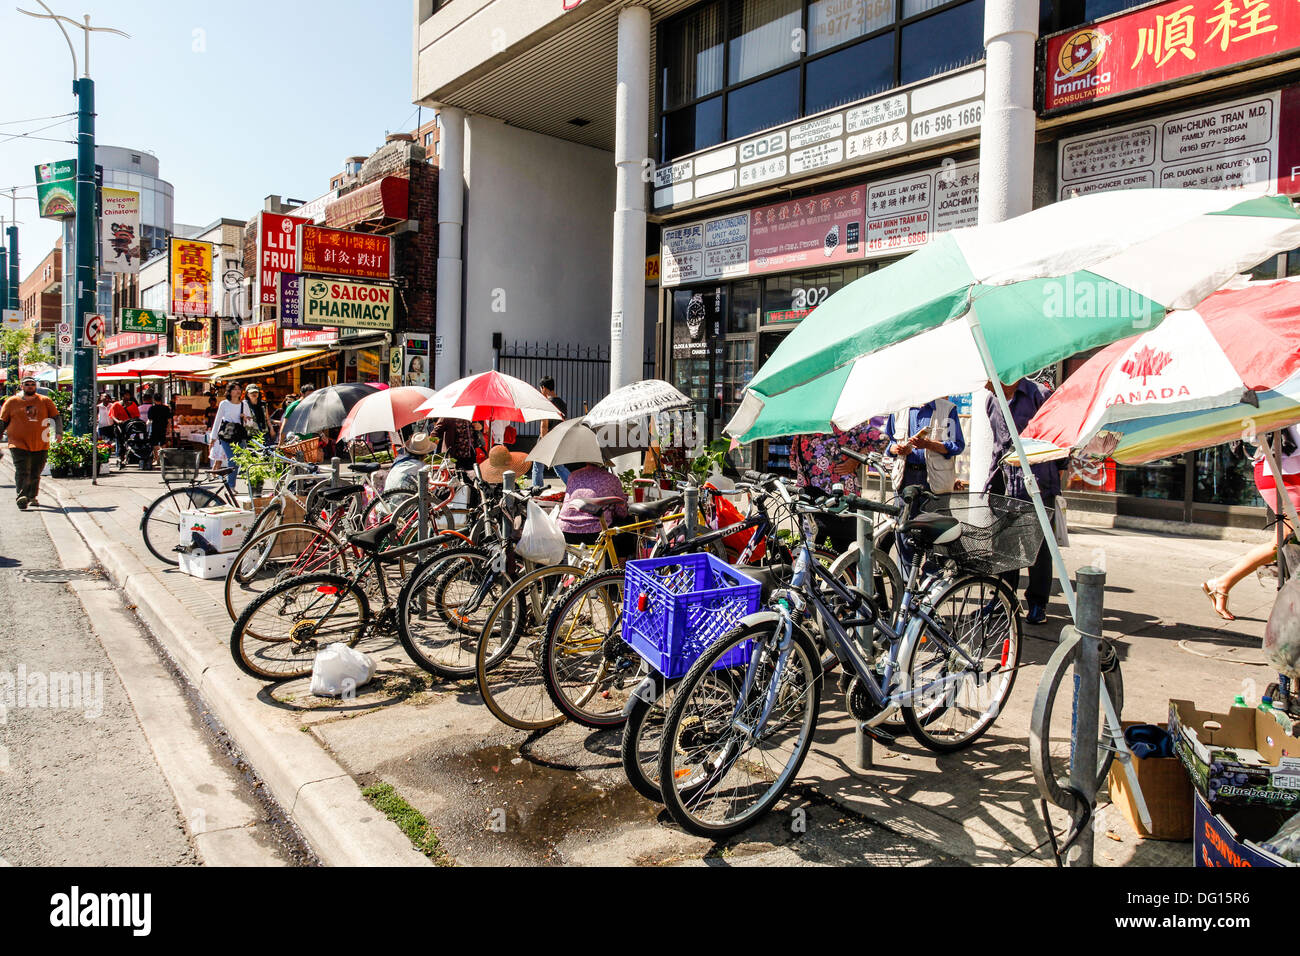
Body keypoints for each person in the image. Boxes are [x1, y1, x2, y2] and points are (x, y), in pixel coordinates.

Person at [984, 378, 1066, 625]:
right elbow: (998, 444)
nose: (984, 383)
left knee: (1038, 548)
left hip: (1037, 482)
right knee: (1003, 547)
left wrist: (1056, 474)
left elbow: (1059, 437)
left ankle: (1038, 603)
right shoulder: (992, 400)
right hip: (1004, 481)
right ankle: (1003, 599)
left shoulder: (1038, 394)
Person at [1203, 426, 1300, 621]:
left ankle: (1222, 584)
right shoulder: (1279, 399)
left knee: (1283, 541)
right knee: (1284, 539)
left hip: (1292, 471)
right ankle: (1222, 583)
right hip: (1278, 472)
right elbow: (1252, 434)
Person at [886, 398, 965, 575]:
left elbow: (957, 445)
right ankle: (905, 580)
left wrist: (929, 445)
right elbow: (889, 443)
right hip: (905, 477)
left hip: (935, 480)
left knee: (934, 530)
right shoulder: (900, 408)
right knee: (904, 528)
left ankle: (931, 578)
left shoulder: (947, 409)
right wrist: (897, 449)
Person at [788, 419, 890, 553]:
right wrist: (856, 459)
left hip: (816, 502)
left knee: (809, 556)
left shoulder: (804, 430)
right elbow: (882, 440)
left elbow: (793, 464)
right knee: (845, 557)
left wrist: (854, 460)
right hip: (839, 500)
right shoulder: (844, 425)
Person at [0, 376, 61, 510]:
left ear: (35, 386)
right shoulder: (11, 402)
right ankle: (21, 496)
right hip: (18, 443)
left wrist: (59, 433)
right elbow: (3, 421)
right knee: (23, 470)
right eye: (27, 384)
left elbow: (56, 417)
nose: (30, 386)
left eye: (32, 384)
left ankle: (32, 496)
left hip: (41, 442)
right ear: (22, 386)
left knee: (35, 472)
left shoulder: (45, 401)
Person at [557, 459, 631, 554]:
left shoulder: (573, 475)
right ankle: (620, 567)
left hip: (565, 529)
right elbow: (622, 512)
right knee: (626, 528)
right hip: (595, 532)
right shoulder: (611, 479)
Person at [208, 383, 253, 490]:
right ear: (229, 391)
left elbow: (251, 424)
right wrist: (213, 437)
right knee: (232, 459)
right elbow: (218, 420)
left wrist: (246, 418)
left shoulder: (244, 404)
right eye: (234, 389)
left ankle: (231, 484)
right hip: (226, 435)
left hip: (239, 435)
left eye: (239, 389)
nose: (237, 391)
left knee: (238, 461)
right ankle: (231, 486)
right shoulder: (224, 404)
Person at [530, 376, 572, 490]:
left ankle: (536, 489)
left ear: (543, 388)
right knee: (559, 467)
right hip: (558, 438)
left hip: (547, 438)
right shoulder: (562, 403)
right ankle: (573, 485)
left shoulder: (547, 404)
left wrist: (543, 442)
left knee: (537, 467)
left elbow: (544, 424)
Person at [385, 429, 436, 494]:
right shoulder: (422, 467)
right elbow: (431, 490)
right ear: (425, 454)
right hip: (403, 501)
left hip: (386, 500)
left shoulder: (399, 459)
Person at [146, 392, 173, 467]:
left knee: (154, 444)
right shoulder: (166, 408)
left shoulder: (152, 408)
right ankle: (163, 458)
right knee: (163, 443)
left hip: (154, 427)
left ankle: (157, 459)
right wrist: (168, 428)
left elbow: (150, 419)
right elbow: (169, 420)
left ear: (154, 399)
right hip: (163, 427)